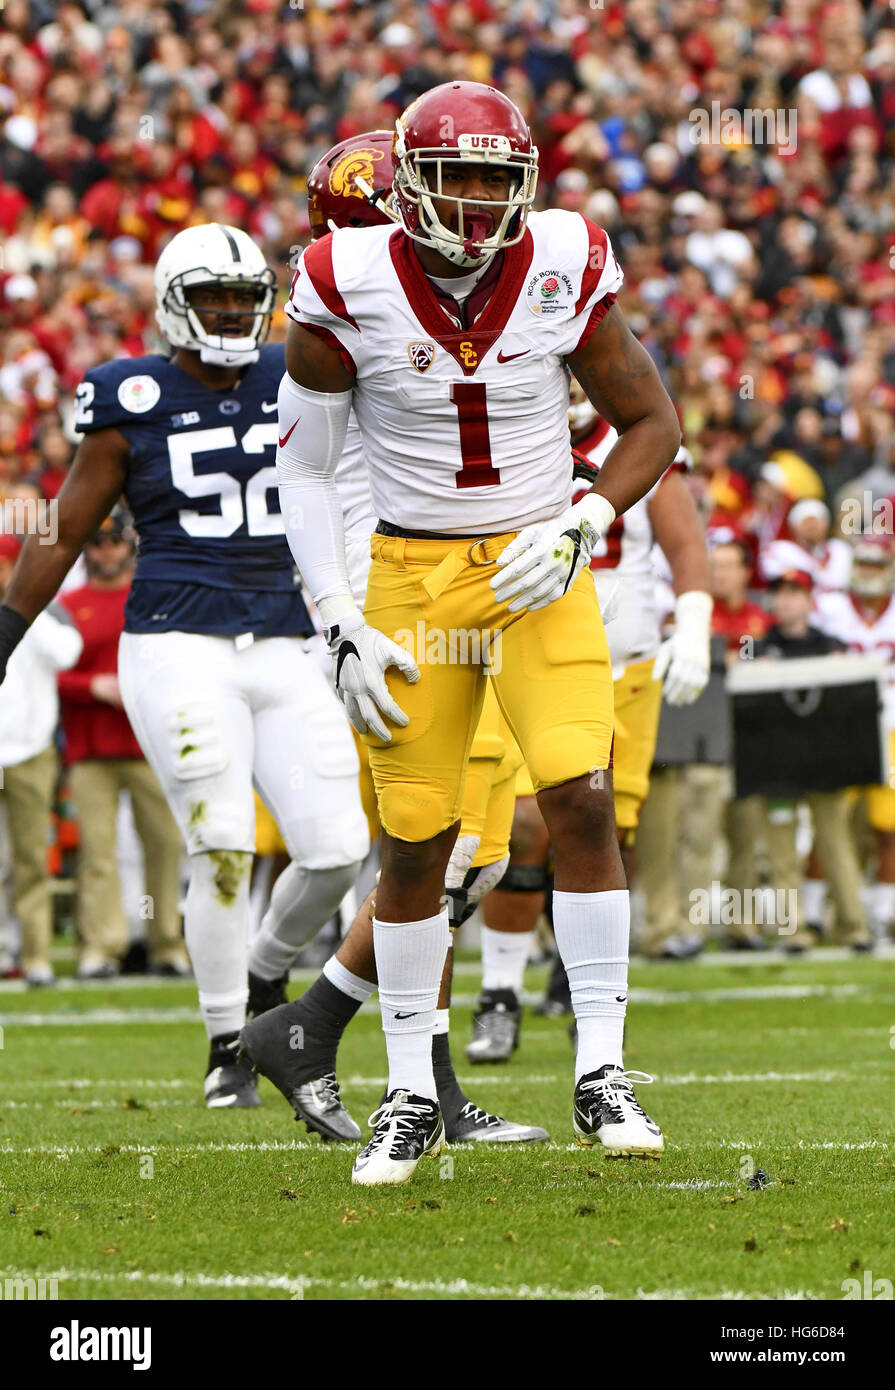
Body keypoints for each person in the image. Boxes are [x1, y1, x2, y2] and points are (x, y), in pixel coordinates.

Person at [271, 82, 680, 1184]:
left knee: (580, 795)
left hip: (536, 562)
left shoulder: (561, 260)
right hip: (409, 571)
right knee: (417, 841)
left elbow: (652, 420)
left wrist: (588, 516)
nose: (482, 199)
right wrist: (337, 620)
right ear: (406, 180)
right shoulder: (340, 280)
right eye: (459, 177)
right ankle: (410, 1090)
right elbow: (303, 471)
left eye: (502, 177)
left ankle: (602, 1068)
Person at [0, 224, 369, 1112]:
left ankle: (260, 984)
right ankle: (223, 1042)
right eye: (214, 299)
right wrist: (7, 627)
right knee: (223, 843)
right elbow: (71, 521)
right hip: (175, 640)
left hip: (286, 638)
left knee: (334, 849)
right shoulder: (129, 393)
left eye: (245, 299)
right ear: (174, 304)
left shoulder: (298, 371)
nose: (233, 314)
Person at [243, 130, 548, 1146]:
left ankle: (392, 1066)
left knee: (448, 855)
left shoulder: (405, 300)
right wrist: (342, 623)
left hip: (430, 602)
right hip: (407, 610)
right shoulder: (353, 310)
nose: (463, 216)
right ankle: (327, 1035)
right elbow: (309, 478)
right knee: (444, 854)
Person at [473, 391, 711, 1048]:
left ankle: (583, 987)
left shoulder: (634, 440)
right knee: (524, 825)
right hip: (532, 656)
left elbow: (684, 543)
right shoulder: (510, 434)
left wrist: (692, 624)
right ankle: (499, 990)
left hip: (622, 664)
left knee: (610, 830)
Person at [57, 509, 189, 979]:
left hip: (150, 744)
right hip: (91, 747)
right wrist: (92, 686)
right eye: (96, 543)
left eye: (114, 542)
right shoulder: (69, 605)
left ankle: (166, 942)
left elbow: (179, 663)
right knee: (97, 851)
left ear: (128, 545)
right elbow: (45, 673)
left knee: (165, 846)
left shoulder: (152, 595)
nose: (106, 551)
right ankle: (101, 947)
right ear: (86, 550)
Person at [751, 569, 871, 952]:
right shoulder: (755, 646)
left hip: (826, 765)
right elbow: (740, 691)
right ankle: (792, 930)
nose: (785, 601)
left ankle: (853, 926)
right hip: (778, 767)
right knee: (782, 851)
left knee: (836, 844)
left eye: (794, 593)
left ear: (809, 600)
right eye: (779, 593)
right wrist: (754, 673)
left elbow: (854, 702)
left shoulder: (833, 644)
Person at [0, 532, 82, 985]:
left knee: (31, 858)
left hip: (30, 750)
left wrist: (24, 606)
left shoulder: (40, 612)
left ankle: (36, 956)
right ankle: (4, 950)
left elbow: (67, 653)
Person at [815, 534, 895, 939]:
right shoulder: (830, 609)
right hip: (840, 727)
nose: (869, 572)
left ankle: (883, 914)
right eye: (863, 563)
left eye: (876, 564)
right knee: (828, 820)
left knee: (889, 826)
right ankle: (813, 913)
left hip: (892, 727)